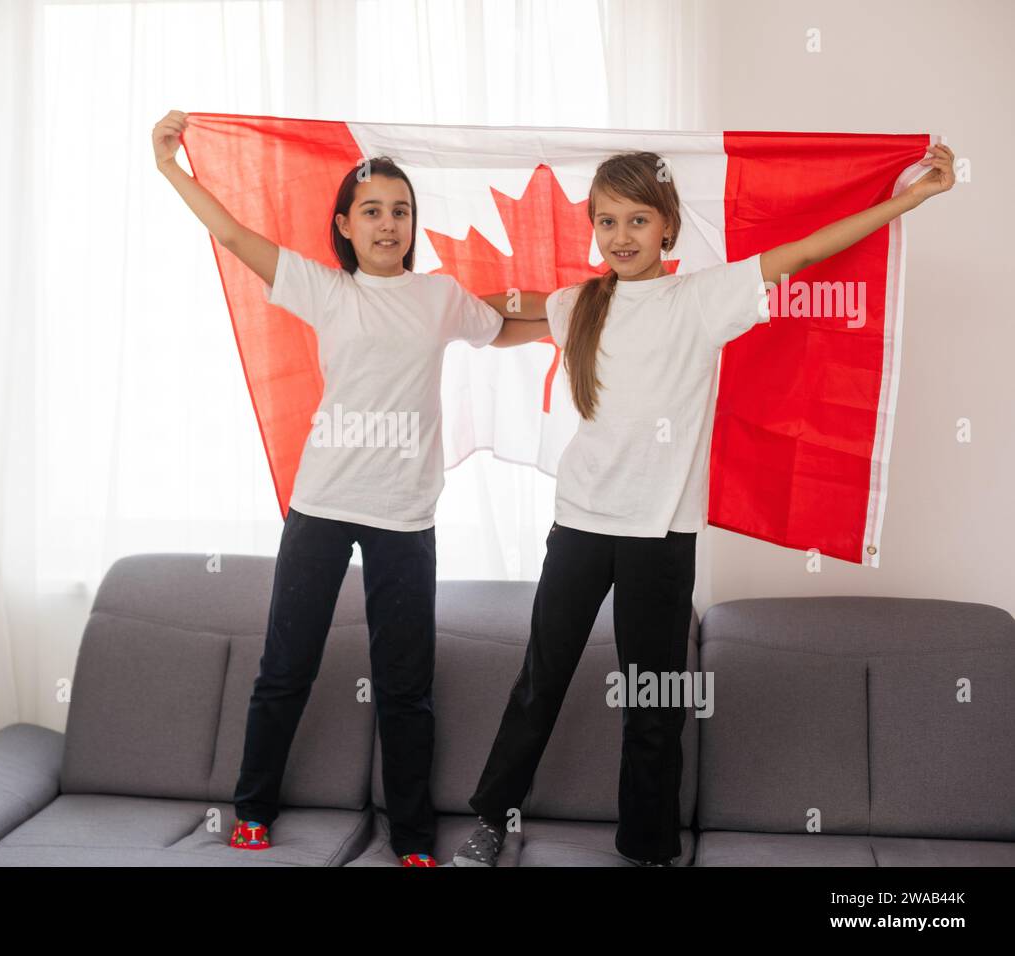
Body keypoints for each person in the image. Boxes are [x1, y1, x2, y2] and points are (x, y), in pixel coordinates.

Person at [454, 143, 957, 867]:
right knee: (543, 679)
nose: (620, 236)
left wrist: (907, 200)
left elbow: (808, 249)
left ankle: (649, 847)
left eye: (636, 219)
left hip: (661, 535)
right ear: (592, 229)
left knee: (652, 701)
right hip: (580, 527)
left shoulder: (703, 298)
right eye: (605, 221)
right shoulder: (577, 304)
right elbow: (499, 319)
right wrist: (409, 298)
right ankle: (491, 819)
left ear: (667, 227)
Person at [153, 109, 549, 866]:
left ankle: (410, 838)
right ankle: (252, 810)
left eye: (401, 210)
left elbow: (504, 326)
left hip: (405, 516)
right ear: (345, 223)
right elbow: (235, 236)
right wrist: (172, 168)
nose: (388, 222)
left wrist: (590, 314)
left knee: (406, 687)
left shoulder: (438, 297)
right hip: (323, 507)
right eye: (372, 209)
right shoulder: (323, 289)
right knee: (285, 667)